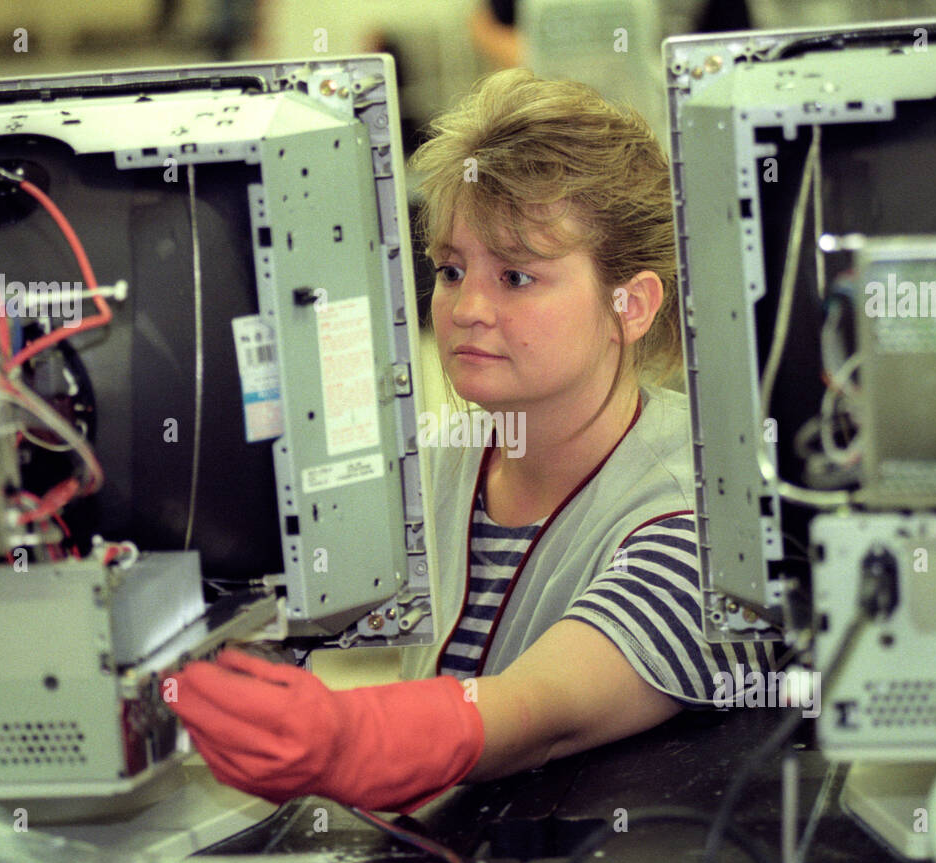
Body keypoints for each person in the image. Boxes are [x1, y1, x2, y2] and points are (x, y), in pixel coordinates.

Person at [163, 70, 777, 814]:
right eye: (451, 270)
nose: (466, 309)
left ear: (632, 304)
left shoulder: (711, 510)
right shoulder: (436, 462)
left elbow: (540, 712)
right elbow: (282, 618)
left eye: (517, 276)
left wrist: (352, 737)